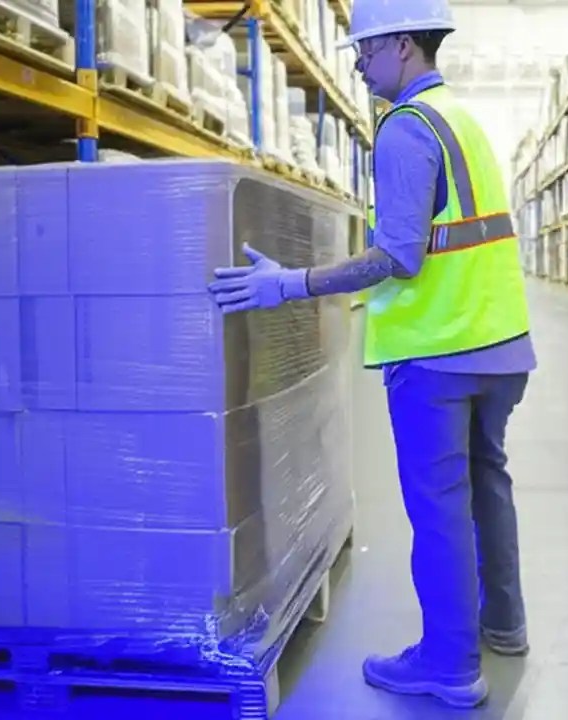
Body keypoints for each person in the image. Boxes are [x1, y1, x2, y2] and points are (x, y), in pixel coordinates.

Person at [208, 0, 535, 708]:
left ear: (403, 46)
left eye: (366, 48)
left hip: (439, 352)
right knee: (487, 483)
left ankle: (449, 666)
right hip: (501, 346)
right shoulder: (464, 121)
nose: (356, 62)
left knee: (440, 506)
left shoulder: (404, 130)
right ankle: (503, 625)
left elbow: (399, 255)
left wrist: (286, 286)